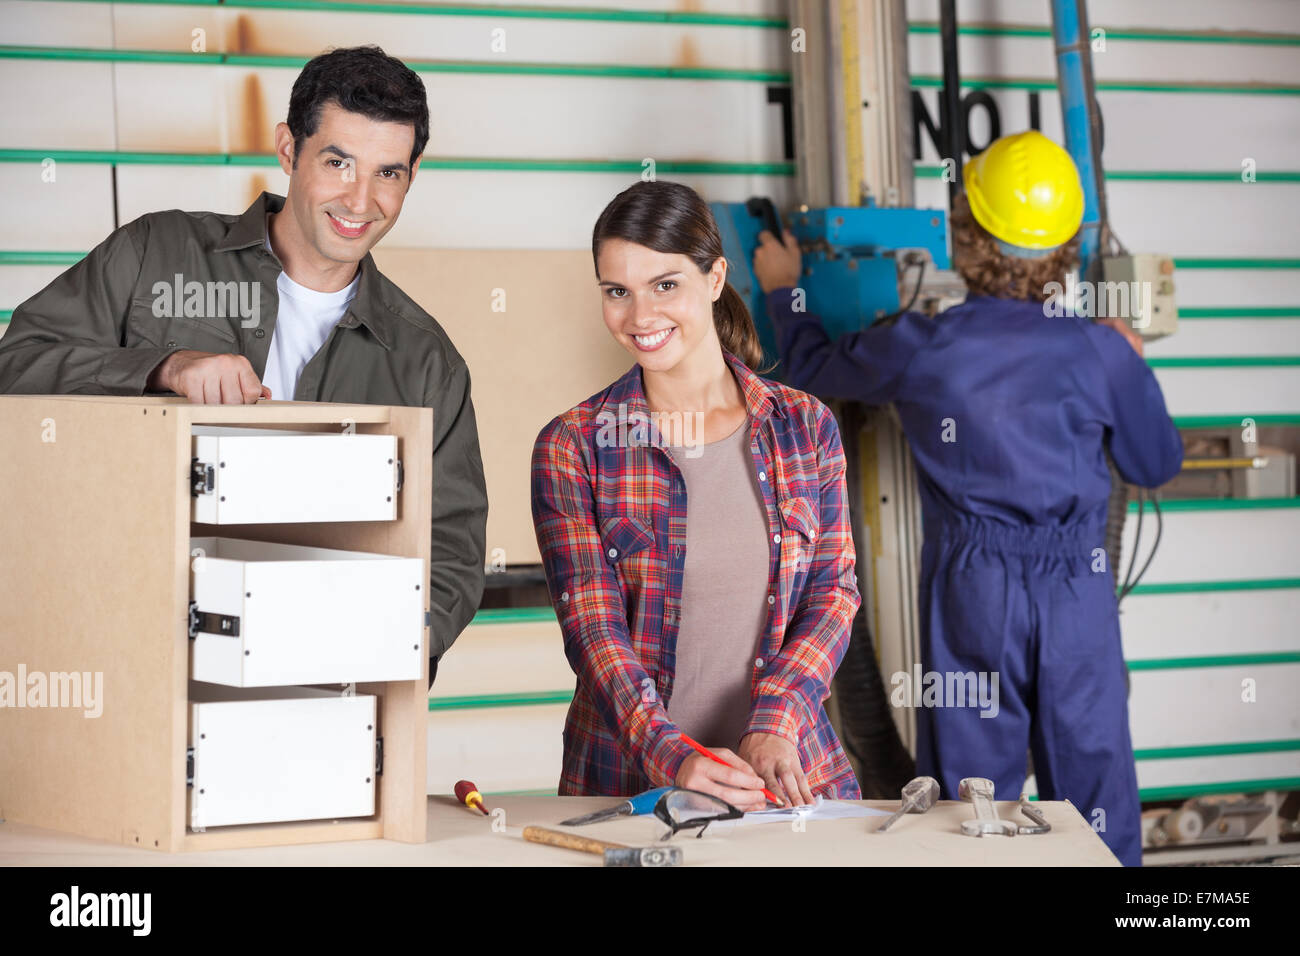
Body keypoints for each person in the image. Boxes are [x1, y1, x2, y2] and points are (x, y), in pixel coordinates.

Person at [752, 130, 1183, 864]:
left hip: (973, 588)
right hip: (1077, 588)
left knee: (967, 798)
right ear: (1066, 247)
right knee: (1096, 789)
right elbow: (1155, 462)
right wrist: (1130, 366)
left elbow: (812, 366)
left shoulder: (925, 345)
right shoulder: (1100, 349)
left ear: (966, 231)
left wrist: (785, 287)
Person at [0, 46, 488, 682]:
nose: (360, 200)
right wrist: (163, 369)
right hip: (116, 652)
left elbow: (450, 550)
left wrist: (383, 653)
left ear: (411, 176)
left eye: (387, 173)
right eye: (338, 162)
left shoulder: (427, 361)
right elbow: (16, 368)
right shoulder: (157, 253)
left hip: (308, 683)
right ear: (288, 149)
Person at [530, 180, 862, 811]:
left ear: (714, 278)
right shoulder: (574, 446)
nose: (639, 317)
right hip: (630, 785)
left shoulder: (804, 426)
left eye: (665, 285)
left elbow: (833, 593)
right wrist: (671, 754)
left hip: (787, 778)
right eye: (616, 292)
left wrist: (777, 720)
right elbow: (593, 629)